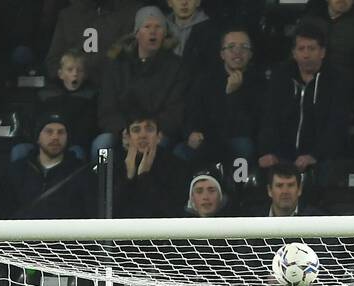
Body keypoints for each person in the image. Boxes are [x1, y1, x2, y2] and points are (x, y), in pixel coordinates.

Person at [256, 19, 350, 174]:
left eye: (312, 48)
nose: (306, 54)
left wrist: (315, 155)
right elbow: (269, 118)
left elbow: (337, 125)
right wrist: (267, 151)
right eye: (301, 49)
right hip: (282, 155)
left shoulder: (337, 81)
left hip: (321, 157)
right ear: (294, 53)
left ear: (322, 52)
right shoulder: (280, 77)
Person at [95, 6, 188, 157]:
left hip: (158, 133)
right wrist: (124, 131)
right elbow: (107, 110)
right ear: (137, 33)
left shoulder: (176, 66)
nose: (153, 32)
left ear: (165, 33)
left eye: (158, 27)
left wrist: (148, 132)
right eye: (147, 27)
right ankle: (102, 181)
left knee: (161, 145)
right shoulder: (116, 65)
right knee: (101, 147)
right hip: (123, 132)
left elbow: (175, 110)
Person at [178, 27, 264, 167]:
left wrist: (232, 94)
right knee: (180, 151)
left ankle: (239, 187)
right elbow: (191, 113)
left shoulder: (259, 83)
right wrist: (191, 133)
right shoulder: (206, 80)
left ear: (250, 54)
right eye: (231, 47)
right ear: (222, 54)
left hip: (237, 140)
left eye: (244, 47)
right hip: (207, 139)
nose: (237, 52)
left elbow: (248, 126)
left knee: (243, 147)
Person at [8, 113, 93, 219]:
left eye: (61, 132)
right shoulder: (18, 170)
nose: (55, 137)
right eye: (49, 131)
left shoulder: (82, 172)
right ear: (38, 137)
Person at [45, 0, 140, 85]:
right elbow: (53, 63)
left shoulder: (132, 12)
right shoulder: (68, 16)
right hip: (77, 94)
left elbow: (133, 61)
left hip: (116, 92)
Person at [112, 113, 187, 218]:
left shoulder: (175, 166)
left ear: (159, 137)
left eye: (149, 129)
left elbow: (171, 212)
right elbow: (111, 212)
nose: (143, 135)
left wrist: (144, 177)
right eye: (136, 130)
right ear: (128, 137)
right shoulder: (115, 164)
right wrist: (129, 176)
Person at [252, 163, 324, 217]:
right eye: (279, 186)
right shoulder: (253, 221)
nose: (285, 191)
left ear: (299, 189)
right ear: (269, 190)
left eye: (290, 185)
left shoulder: (318, 220)